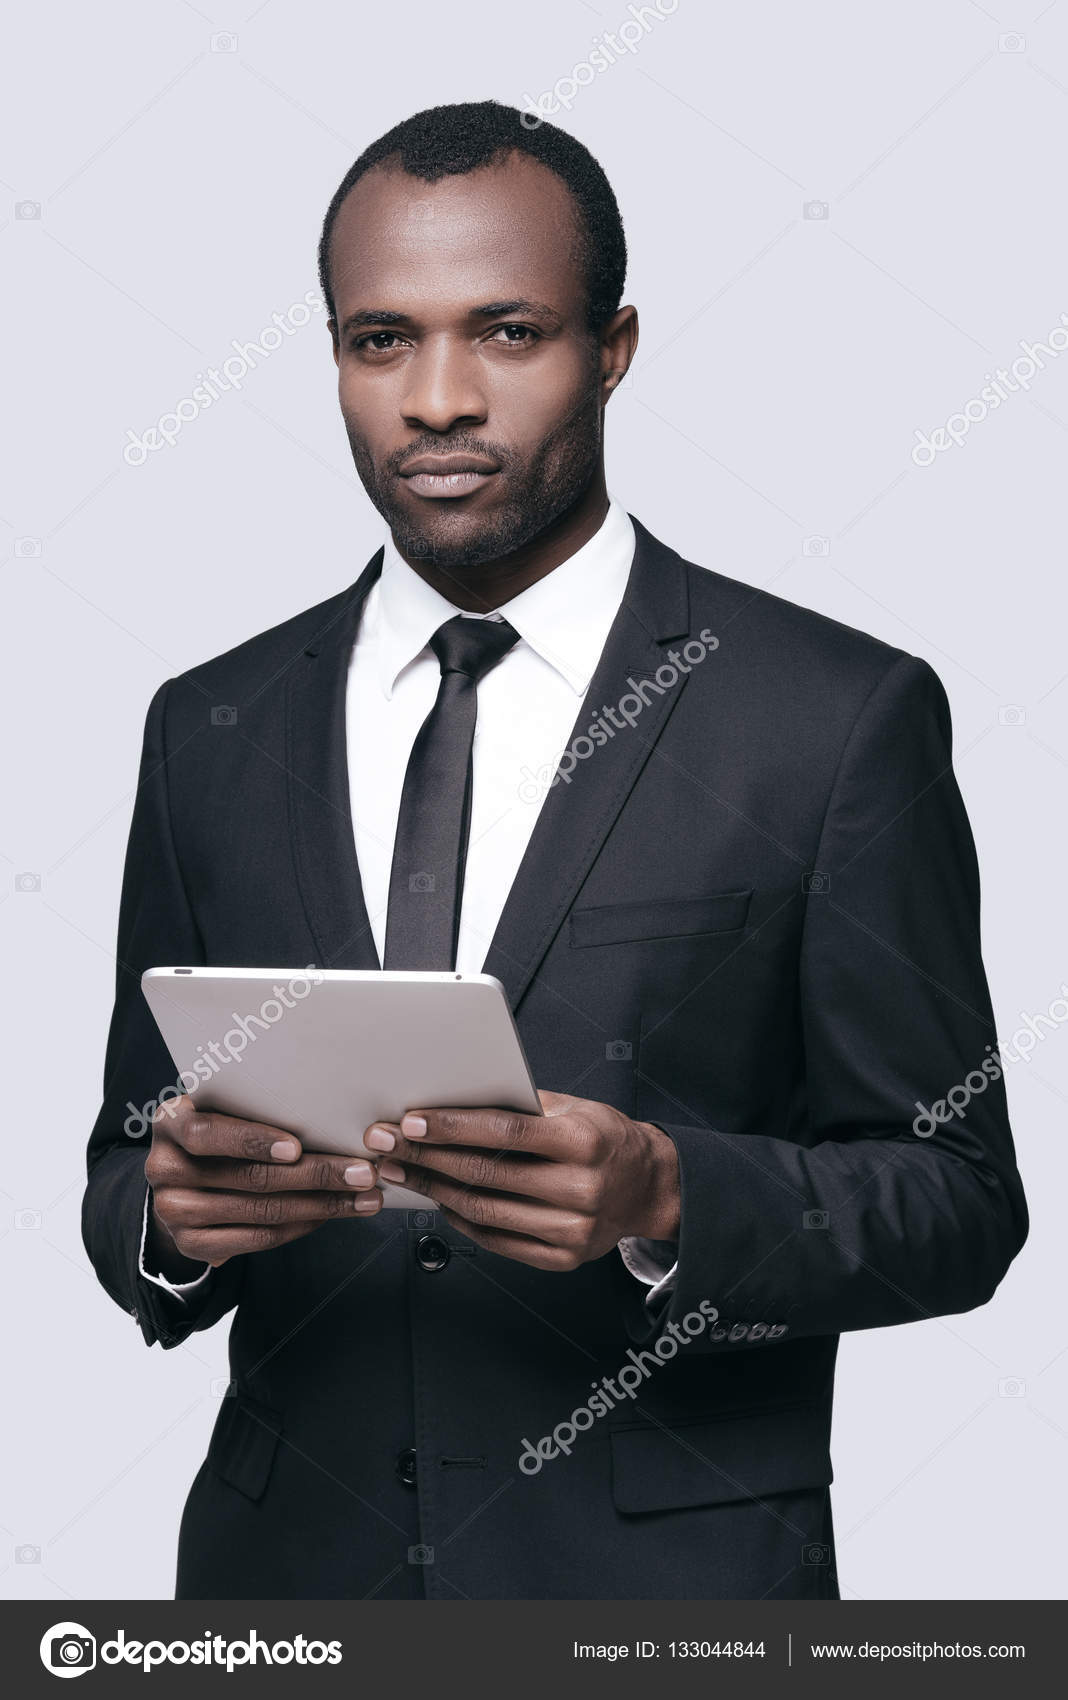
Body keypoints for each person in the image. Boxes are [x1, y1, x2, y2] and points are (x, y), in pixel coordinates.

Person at [83, 100, 1027, 1601]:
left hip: (661, 1602)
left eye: (507, 333)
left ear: (615, 346)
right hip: (281, 1591)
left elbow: (959, 1200)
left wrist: (667, 1196)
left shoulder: (833, 719)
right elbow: (127, 1158)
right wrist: (169, 1221)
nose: (437, 399)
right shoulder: (209, 723)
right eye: (379, 339)